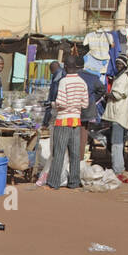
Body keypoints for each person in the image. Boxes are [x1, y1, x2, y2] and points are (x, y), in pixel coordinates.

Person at [47, 56, 90, 190]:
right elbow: (85, 104)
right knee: (75, 154)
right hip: (76, 121)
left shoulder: (64, 82)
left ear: (65, 67)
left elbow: (61, 102)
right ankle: (74, 182)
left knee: (59, 152)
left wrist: (53, 104)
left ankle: (53, 182)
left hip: (62, 121)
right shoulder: (82, 83)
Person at [103, 55, 128, 175]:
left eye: (120, 64)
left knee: (117, 143)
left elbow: (117, 95)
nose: (118, 66)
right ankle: (118, 167)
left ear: (125, 65)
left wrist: (105, 94)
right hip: (116, 114)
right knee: (116, 142)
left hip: (118, 115)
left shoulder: (123, 78)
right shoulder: (119, 77)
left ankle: (118, 169)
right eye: (117, 64)